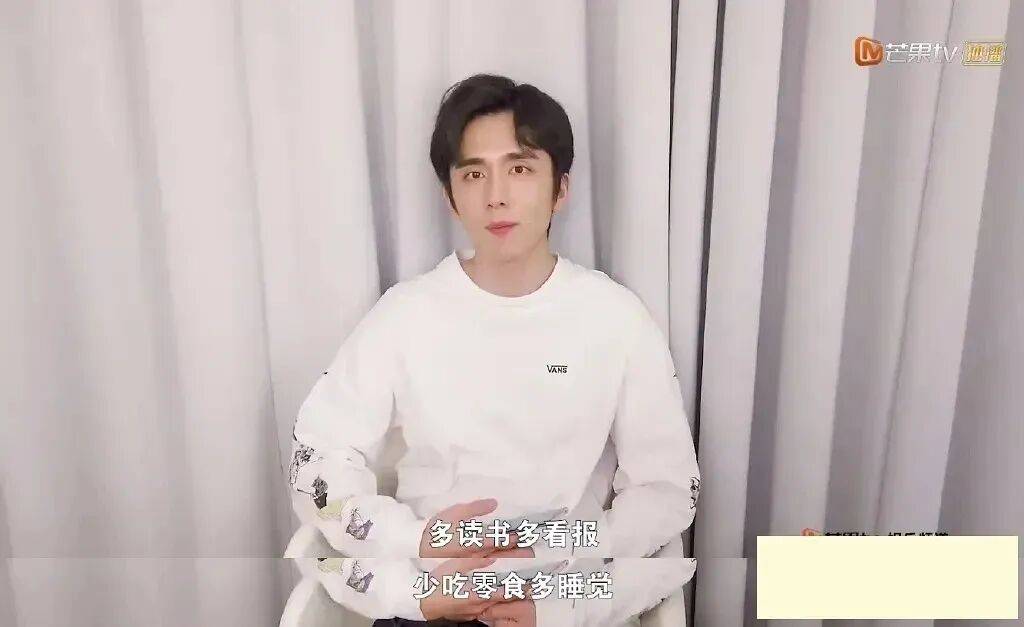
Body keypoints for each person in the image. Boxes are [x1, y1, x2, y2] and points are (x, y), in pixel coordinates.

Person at [286, 74, 700, 626]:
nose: (496, 195)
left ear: (560, 189)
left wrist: (560, 598)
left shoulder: (616, 318)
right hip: (431, 600)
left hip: (560, 601)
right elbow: (318, 459)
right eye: (474, 174)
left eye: (520, 169)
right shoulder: (405, 314)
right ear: (450, 197)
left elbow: (667, 490)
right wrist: (416, 550)